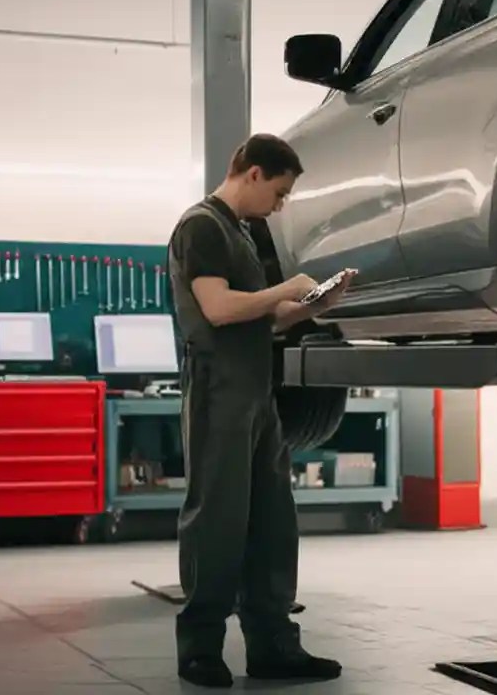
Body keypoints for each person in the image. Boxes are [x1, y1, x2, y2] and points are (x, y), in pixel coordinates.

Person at [166, 133, 355, 688]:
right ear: (252, 174)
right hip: (218, 390)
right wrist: (282, 290)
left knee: (274, 524)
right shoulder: (202, 226)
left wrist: (315, 306)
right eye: (278, 192)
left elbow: (261, 322)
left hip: (256, 392)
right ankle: (200, 649)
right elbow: (218, 309)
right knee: (217, 521)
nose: (279, 206)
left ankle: (273, 645)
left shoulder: (242, 235)